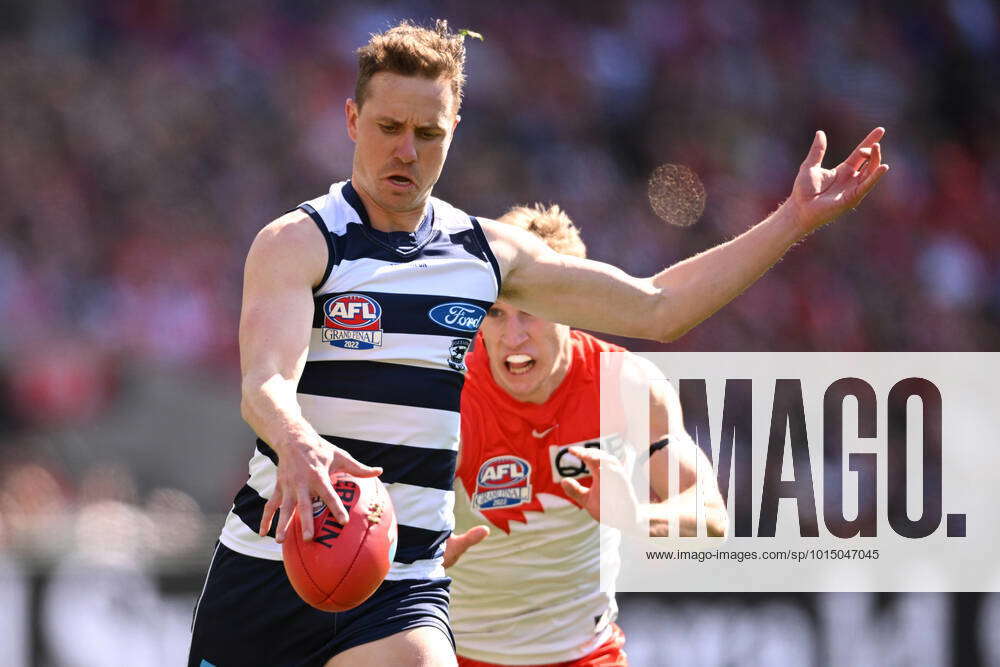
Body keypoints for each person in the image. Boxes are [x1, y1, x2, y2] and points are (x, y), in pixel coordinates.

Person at [188, 18, 889, 667]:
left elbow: (659, 306)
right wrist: (298, 439)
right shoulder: (297, 242)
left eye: (428, 133)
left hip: (400, 584)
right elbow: (265, 382)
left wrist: (793, 220)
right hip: (272, 559)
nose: (406, 150)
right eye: (388, 126)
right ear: (350, 120)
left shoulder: (489, 257)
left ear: (455, 127)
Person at [444, 204, 727, 667]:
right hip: (457, 656)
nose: (512, 336)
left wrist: (637, 518)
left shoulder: (625, 384)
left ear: (572, 307)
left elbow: (711, 513)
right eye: (495, 314)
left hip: (587, 656)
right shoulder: (448, 392)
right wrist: (411, 555)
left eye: (530, 313)